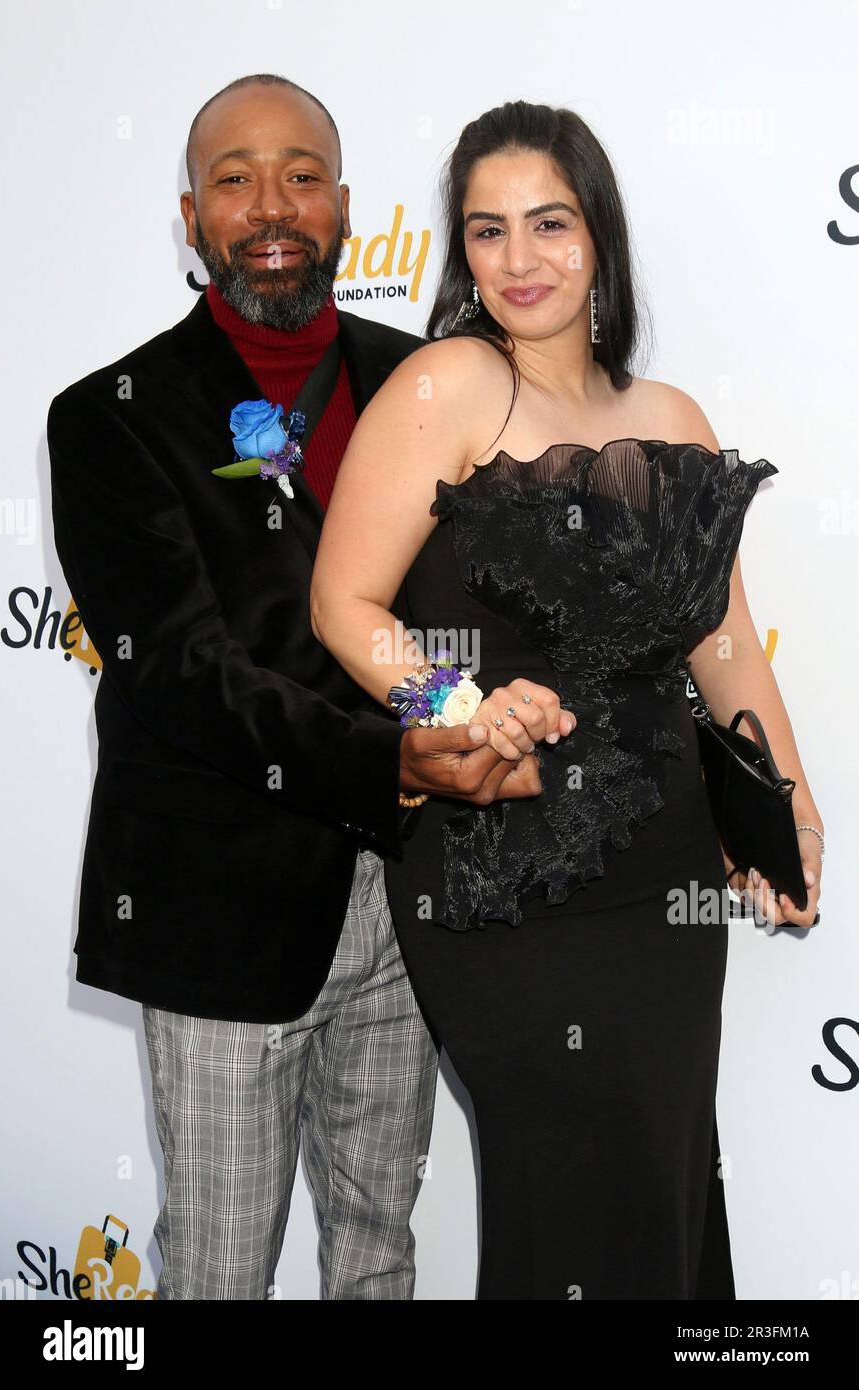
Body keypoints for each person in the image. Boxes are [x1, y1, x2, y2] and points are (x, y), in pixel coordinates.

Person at [46, 74, 568, 1301]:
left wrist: (497, 720)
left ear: (342, 205)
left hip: (409, 898)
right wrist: (390, 757)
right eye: (233, 179)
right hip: (221, 910)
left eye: (299, 174)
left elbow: (468, 615)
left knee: (378, 1254)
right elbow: (179, 673)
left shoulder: (427, 381)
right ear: (190, 214)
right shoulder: (109, 418)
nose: (269, 203)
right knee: (221, 1269)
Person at [310, 99, 826, 1300]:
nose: (520, 259)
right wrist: (458, 700)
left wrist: (786, 807)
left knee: (656, 1176)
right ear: (461, 251)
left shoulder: (670, 422)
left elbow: (726, 649)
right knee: (564, 1191)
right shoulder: (445, 386)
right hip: (501, 868)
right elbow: (345, 605)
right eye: (486, 232)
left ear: (598, 235)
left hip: (662, 868)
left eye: (548, 223)